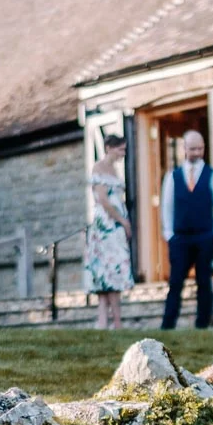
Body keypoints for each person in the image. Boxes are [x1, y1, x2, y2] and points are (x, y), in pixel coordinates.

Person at [160, 129, 213, 330]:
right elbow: (167, 206)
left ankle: (203, 324)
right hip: (180, 237)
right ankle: (168, 324)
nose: (196, 152)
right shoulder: (172, 177)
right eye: (192, 149)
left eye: (200, 148)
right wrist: (169, 234)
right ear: (184, 149)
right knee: (176, 282)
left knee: (204, 282)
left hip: (205, 235)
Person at [84, 134, 134, 329]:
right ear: (108, 148)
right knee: (107, 271)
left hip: (116, 226)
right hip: (106, 226)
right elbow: (104, 200)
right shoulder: (98, 168)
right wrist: (122, 221)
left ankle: (107, 322)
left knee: (115, 270)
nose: (122, 153)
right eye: (120, 149)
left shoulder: (115, 170)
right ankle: (113, 322)